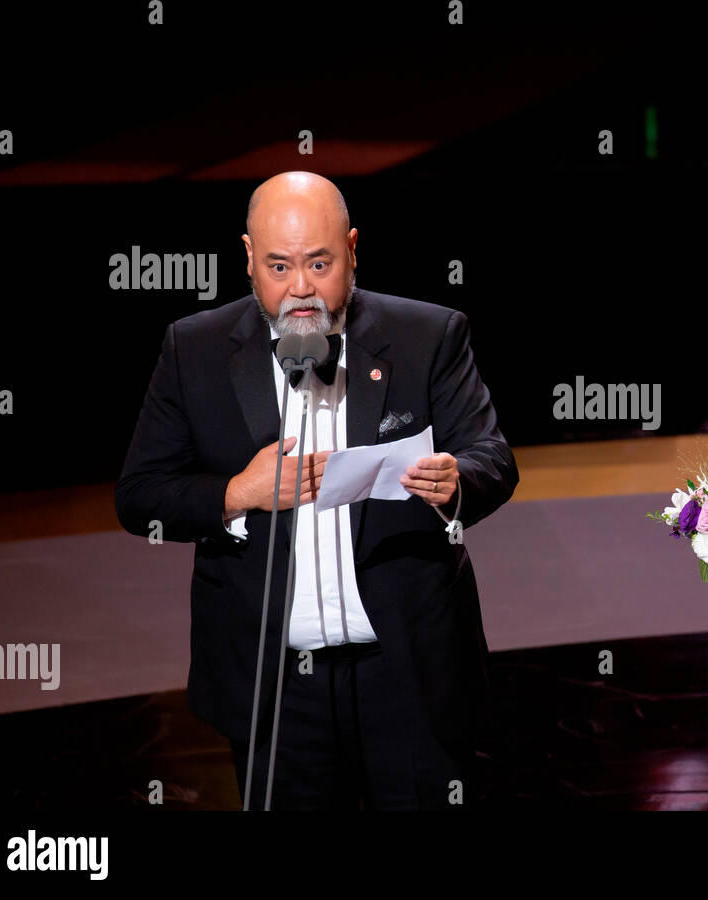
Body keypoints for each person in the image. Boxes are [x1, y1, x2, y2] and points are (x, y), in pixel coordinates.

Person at [115, 171, 519, 810]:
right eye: (278, 266)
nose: (300, 288)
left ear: (353, 250)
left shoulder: (428, 335)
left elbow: (493, 460)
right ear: (248, 258)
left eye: (320, 263)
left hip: (406, 674)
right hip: (273, 689)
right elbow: (139, 496)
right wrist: (236, 494)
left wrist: (455, 480)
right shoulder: (192, 350)